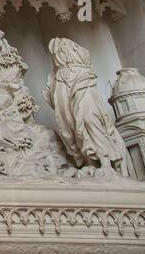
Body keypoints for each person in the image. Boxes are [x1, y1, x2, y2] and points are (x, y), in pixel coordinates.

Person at [44, 37, 128, 175]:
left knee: (90, 119)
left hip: (82, 84)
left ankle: (106, 163)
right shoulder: (58, 70)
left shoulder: (80, 60)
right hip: (65, 83)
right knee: (72, 124)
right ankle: (91, 163)